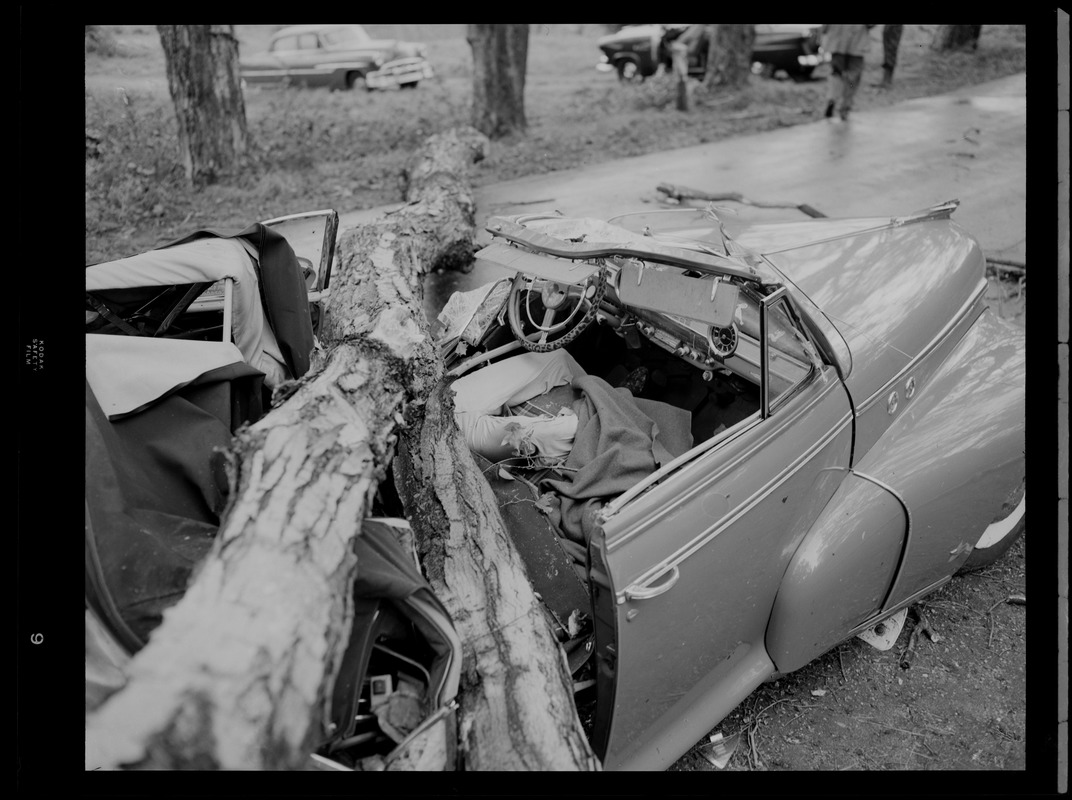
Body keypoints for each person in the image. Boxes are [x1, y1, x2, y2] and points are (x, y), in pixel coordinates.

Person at [821, 24, 875, 120]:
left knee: (836, 74)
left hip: (837, 44)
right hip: (857, 44)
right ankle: (845, 106)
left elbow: (824, 28)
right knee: (852, 78)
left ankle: (832, 98)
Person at [874, 24, 904, 90]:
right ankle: (885, 81)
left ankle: (887, 81)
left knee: (891, 51)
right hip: (889, 27)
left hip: (894, 28)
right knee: (887, 52)